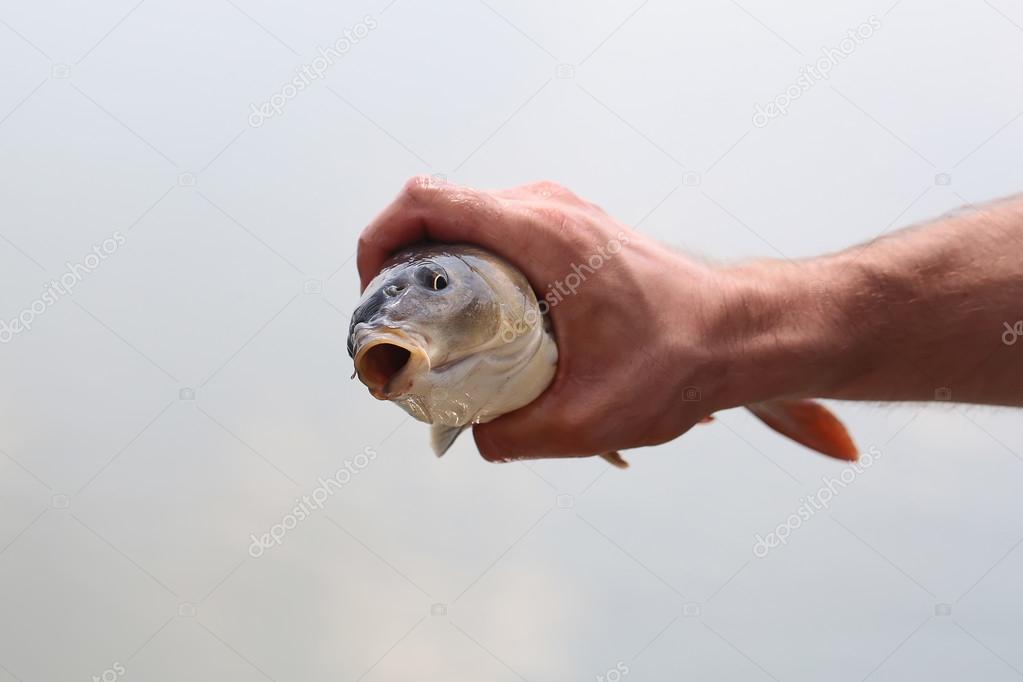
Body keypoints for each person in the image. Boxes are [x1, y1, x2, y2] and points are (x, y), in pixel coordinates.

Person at [357, 176, 1023, 462]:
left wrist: (731, 337)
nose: (397, 324)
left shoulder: (552, 298)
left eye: (438, 285)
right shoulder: (422, 363)